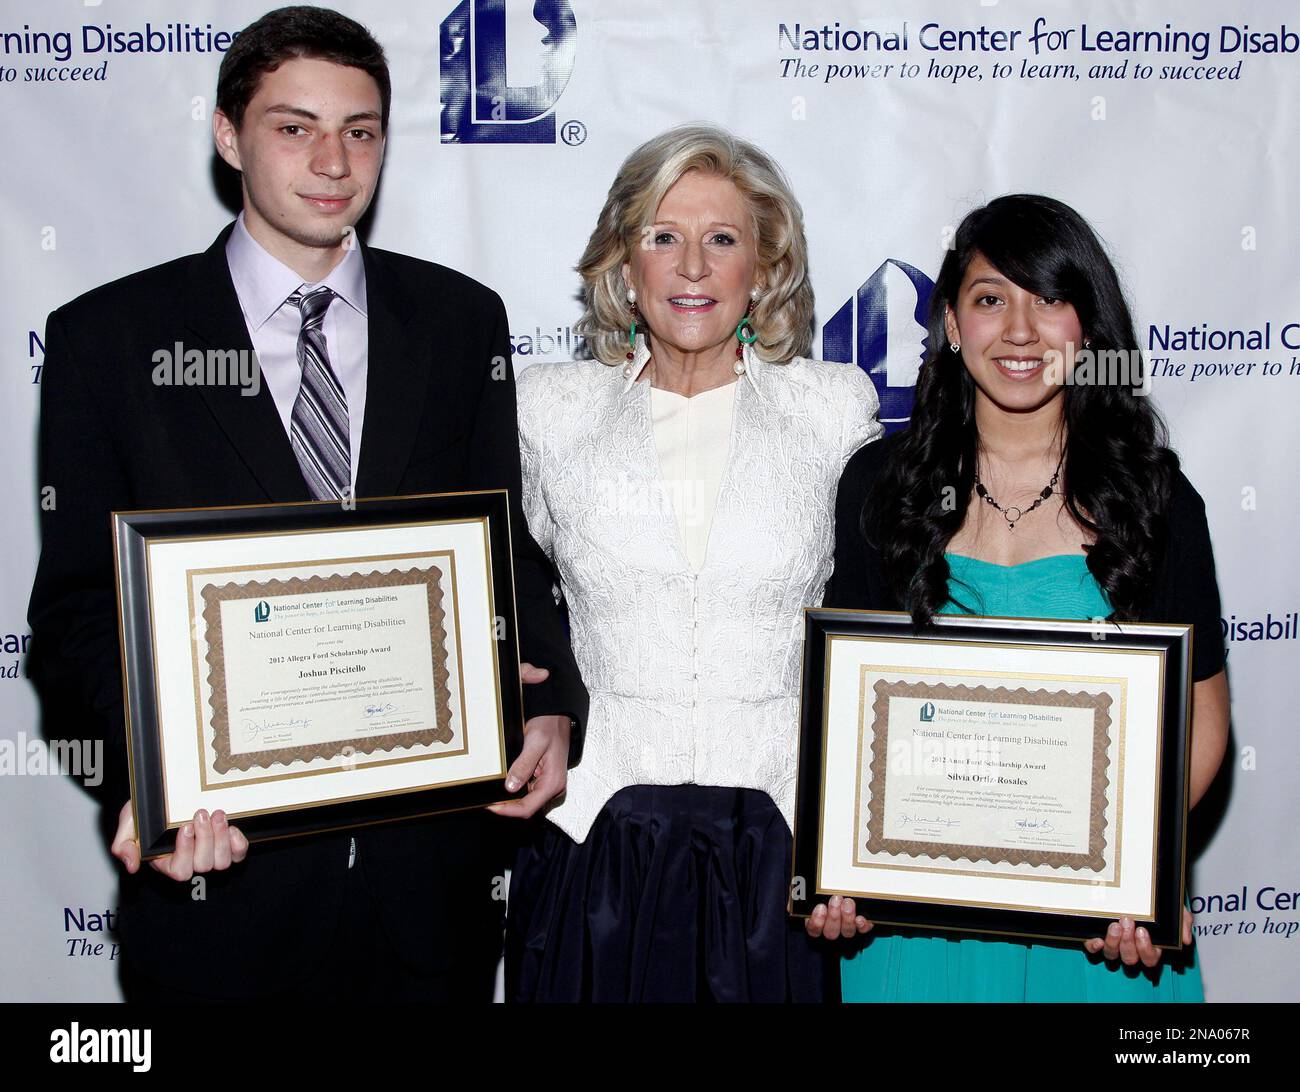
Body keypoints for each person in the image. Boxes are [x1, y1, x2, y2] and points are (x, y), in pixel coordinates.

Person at [26, 5, 585, 1002]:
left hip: (429, 895)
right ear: (229, 134)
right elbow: (73, 616)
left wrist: (548, 707)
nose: (334, 162)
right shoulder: (108, 339)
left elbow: (508, 554)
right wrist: (150, 784)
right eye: (295, 128)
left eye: (360, 131)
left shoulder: (460, 322)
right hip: (223, 894)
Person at [503, 125, 884, 1002]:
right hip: (595, 835)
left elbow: (880, 623)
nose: (692, 267)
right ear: (624, 266)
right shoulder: (547, 411)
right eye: (662, 238)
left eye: (722, 240)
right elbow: (497, 591)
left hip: (781, 846)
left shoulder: (832, 409)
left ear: (766, 267)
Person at [825, 193, 1230, 1002]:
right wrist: (841, 868)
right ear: (948, 324)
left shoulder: (1155, 499)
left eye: (1050, 300)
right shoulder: (883, 488)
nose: (1020, 330)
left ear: (1088, 329)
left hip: (1097, 943)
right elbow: (843, 718)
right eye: (989, 299)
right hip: (919, 927)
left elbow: (1202, 725)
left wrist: (1134, 870)